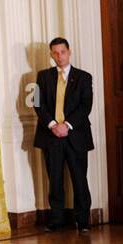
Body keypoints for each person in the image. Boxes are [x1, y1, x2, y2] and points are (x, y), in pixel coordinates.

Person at [33, 37, 94, 232]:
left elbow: (85, 106)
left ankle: (83, 221)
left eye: (63, 52)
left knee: (79, 179)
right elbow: (37, 104)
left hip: (76, 136)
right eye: (55, 53)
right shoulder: (43, 77)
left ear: (69, 52)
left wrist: (66, 125)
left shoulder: (84, 77)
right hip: (51, 136)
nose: (59, 56)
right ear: (51, 55)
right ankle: (57, 219)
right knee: (55, 180)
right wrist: (53, 125)